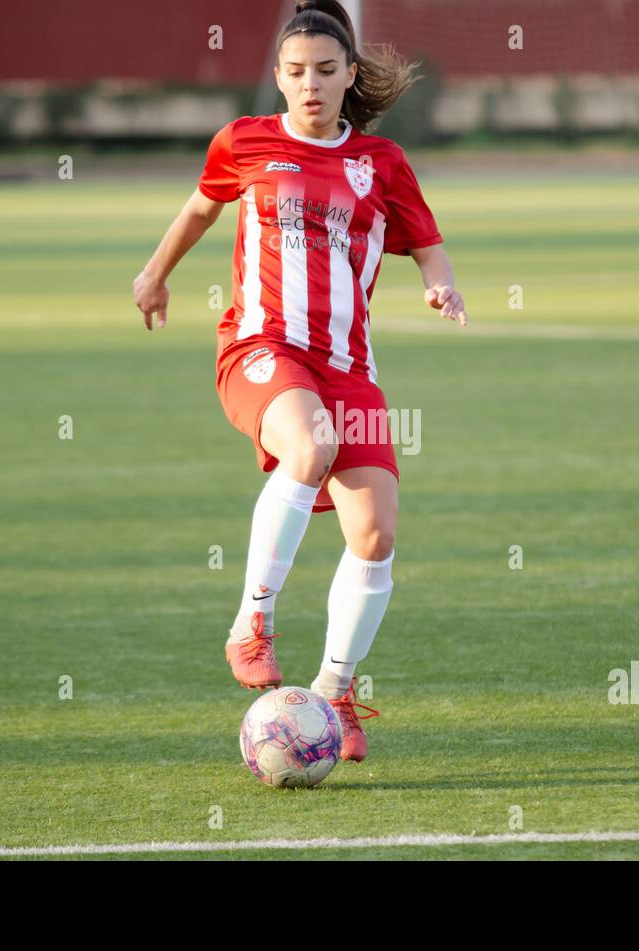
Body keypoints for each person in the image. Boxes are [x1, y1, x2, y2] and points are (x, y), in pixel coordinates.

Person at [132, 0, 467, 763]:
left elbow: (429, 247)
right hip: (261, 345)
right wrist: (154, 275)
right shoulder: (245, 144)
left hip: (351, 367)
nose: (309, 85)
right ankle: (253, 620)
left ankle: (337, 691)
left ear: (351, 74)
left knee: (376, 534)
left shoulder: (382, 163)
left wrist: (442, 286)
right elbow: (197, 210)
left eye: (324, 70)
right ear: (277, 78)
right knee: (309, 443)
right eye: (294, 73)